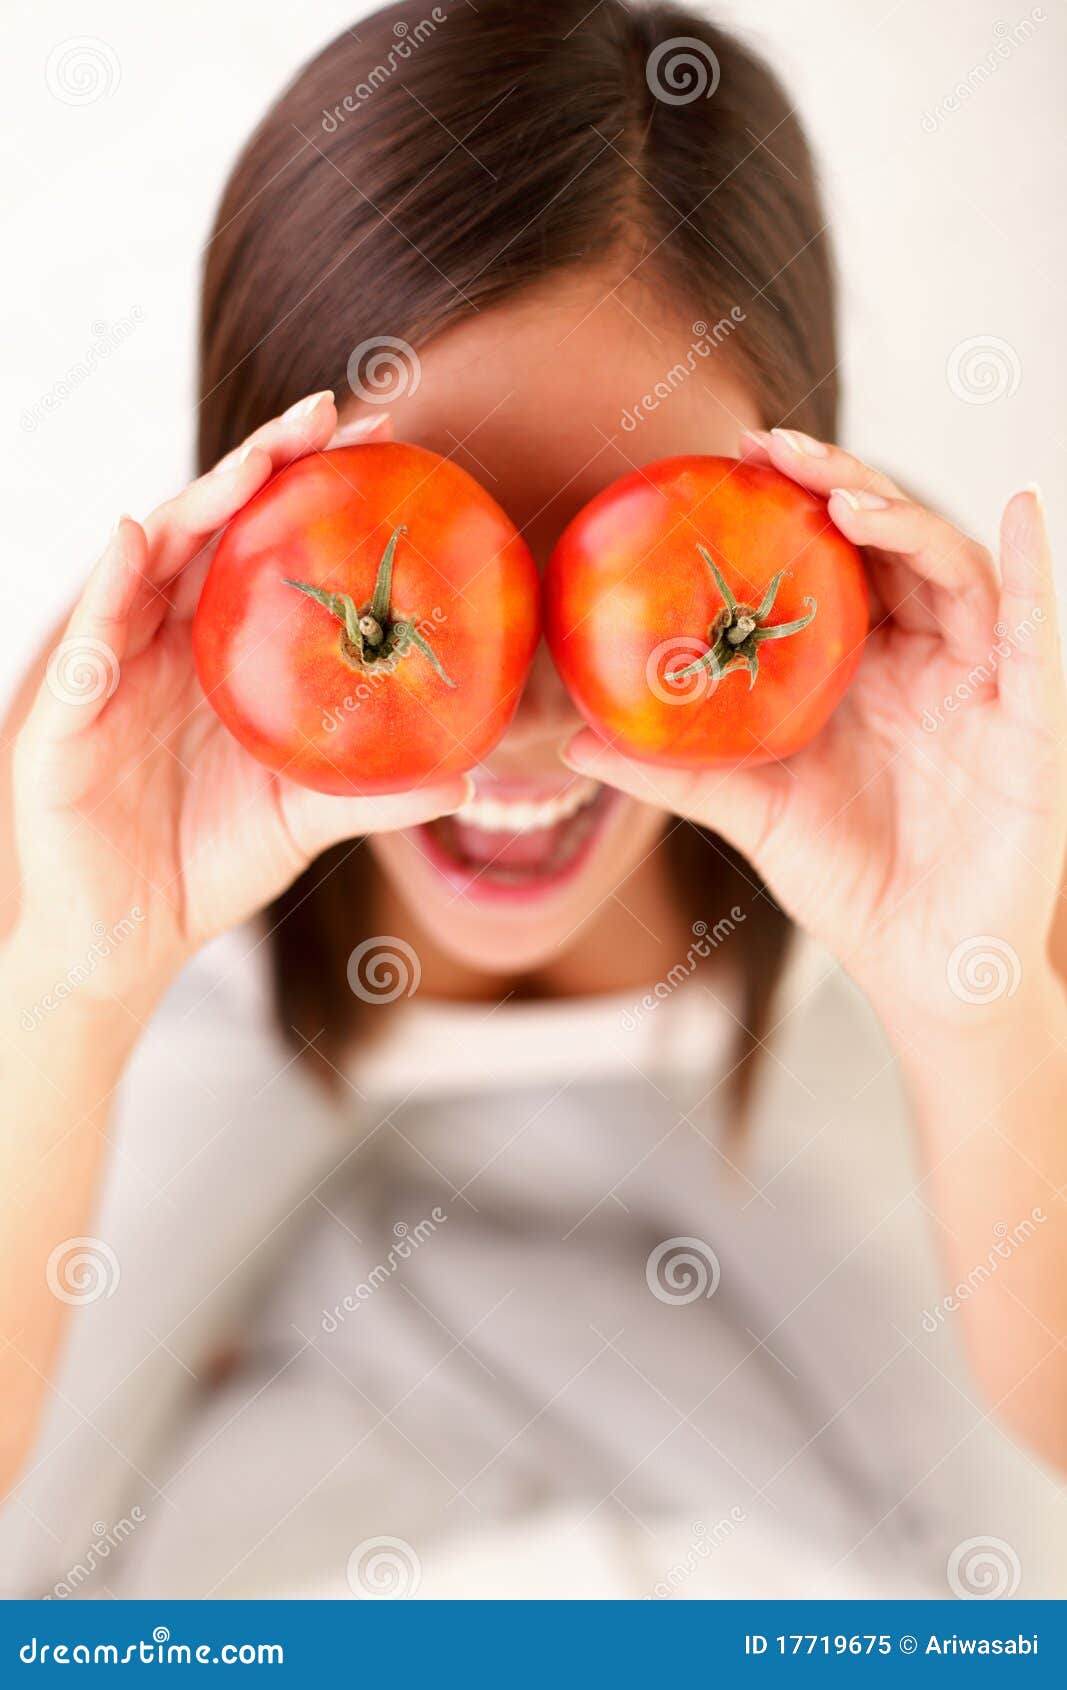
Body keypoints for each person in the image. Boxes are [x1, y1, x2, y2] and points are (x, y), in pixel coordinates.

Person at [2, 0, 1064, 1600]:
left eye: (647, 552)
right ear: (245, 514)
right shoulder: (91, 758)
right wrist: (78, 984)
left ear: (820, 517)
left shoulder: (962, 745)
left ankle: (398, 1303)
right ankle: (448, 1305)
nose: (528, 713)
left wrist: (969, 998)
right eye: (412, 539)